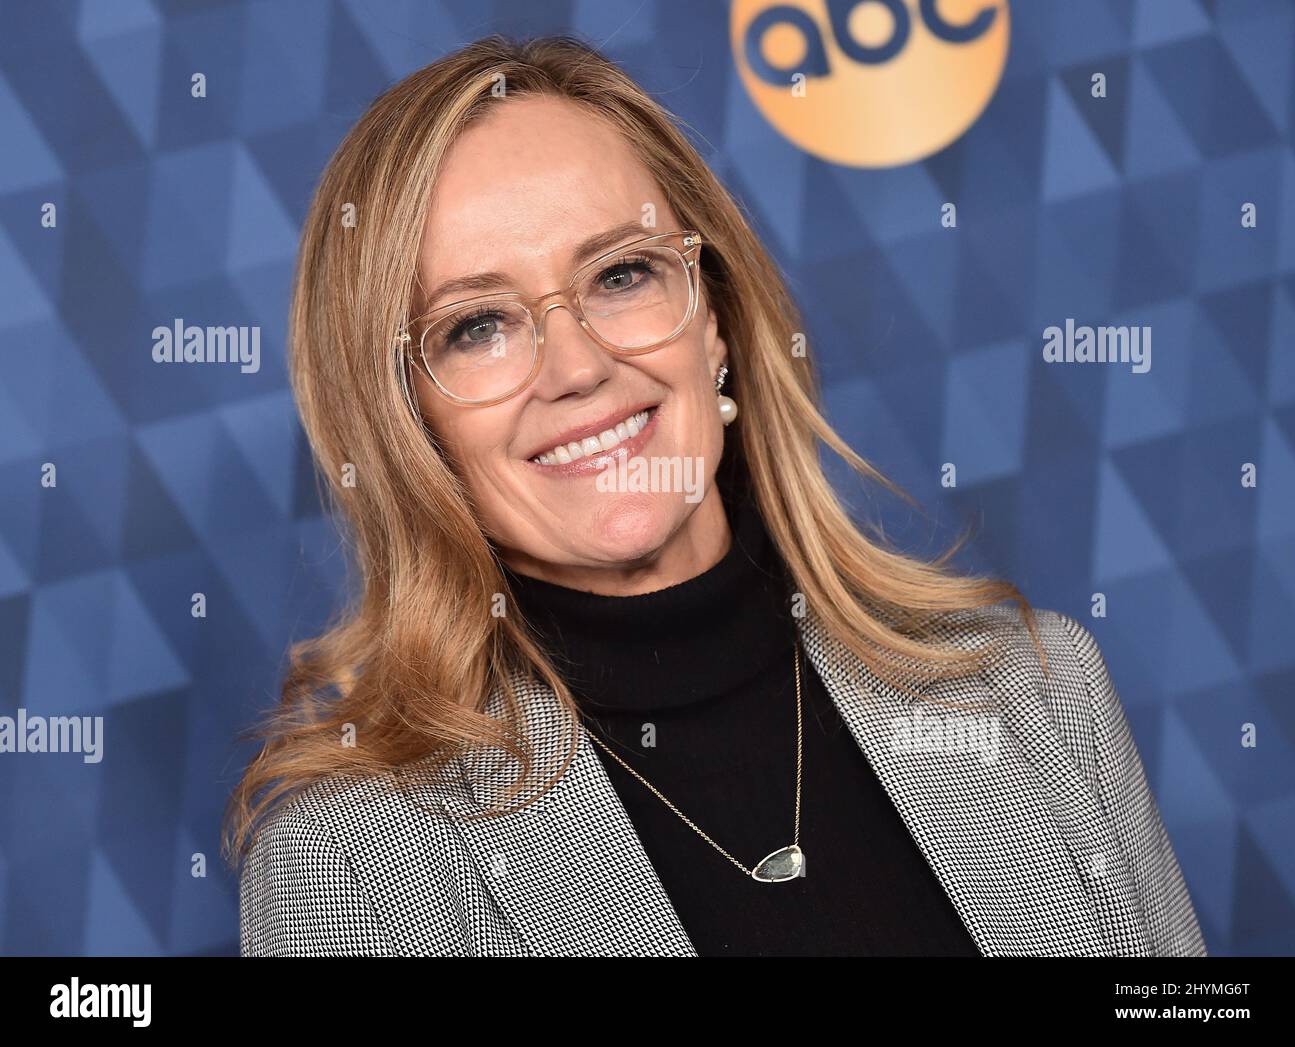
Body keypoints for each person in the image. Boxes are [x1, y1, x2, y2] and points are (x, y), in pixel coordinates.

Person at [226, 34, 1206, 958]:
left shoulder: (1039, 694)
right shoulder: (350, 866)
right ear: (405, 420)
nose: (576, 366)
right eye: (476, 326)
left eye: (620, 274)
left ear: (716, 323)